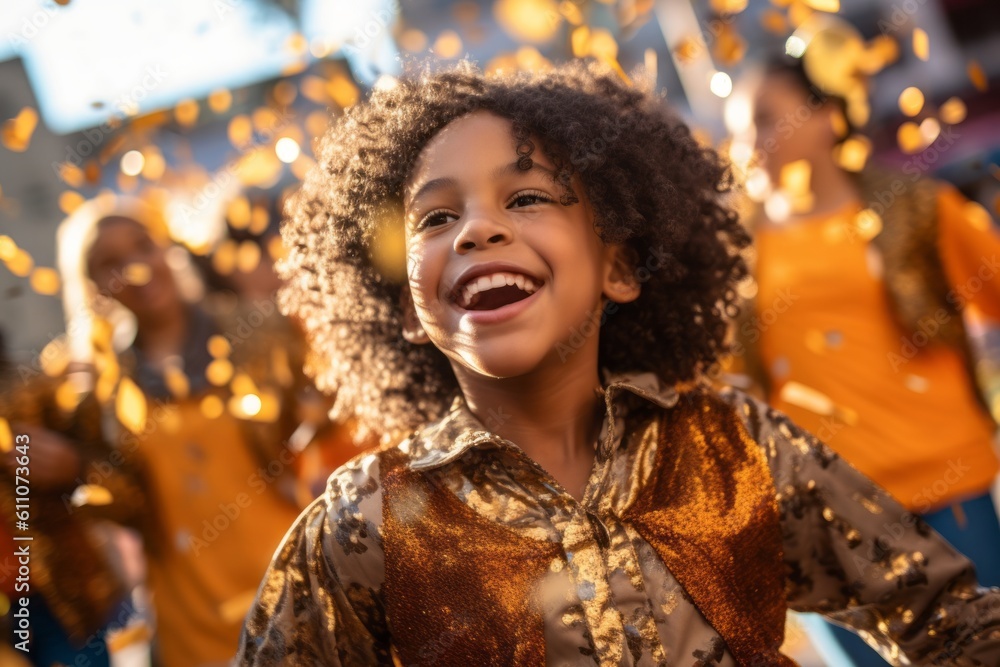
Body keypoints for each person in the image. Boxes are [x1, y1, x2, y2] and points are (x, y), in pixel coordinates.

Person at [236, 62, 1000, 666]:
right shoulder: (358, 529)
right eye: (436, 216)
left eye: (528, 196)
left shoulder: (738, 449)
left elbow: (950, 622)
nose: (477, 228)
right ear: (403, 306)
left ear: (620, 266)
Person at [744, 47, 1000, 665]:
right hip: (826, 526)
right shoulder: (739, 250)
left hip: (947, 495)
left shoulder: (915, 208)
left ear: (827, 117)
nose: (746, 138)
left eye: (762, 117)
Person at [19, 196, 307, 666]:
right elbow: (120, 503)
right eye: (111, 264)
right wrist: (74, 470)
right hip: (191, 626)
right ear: (92, 287)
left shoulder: (259, 333)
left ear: (166, 246)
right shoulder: (94, 394)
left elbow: (319, 442)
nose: (135, 268)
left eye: (142, 246)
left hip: (298, 590)